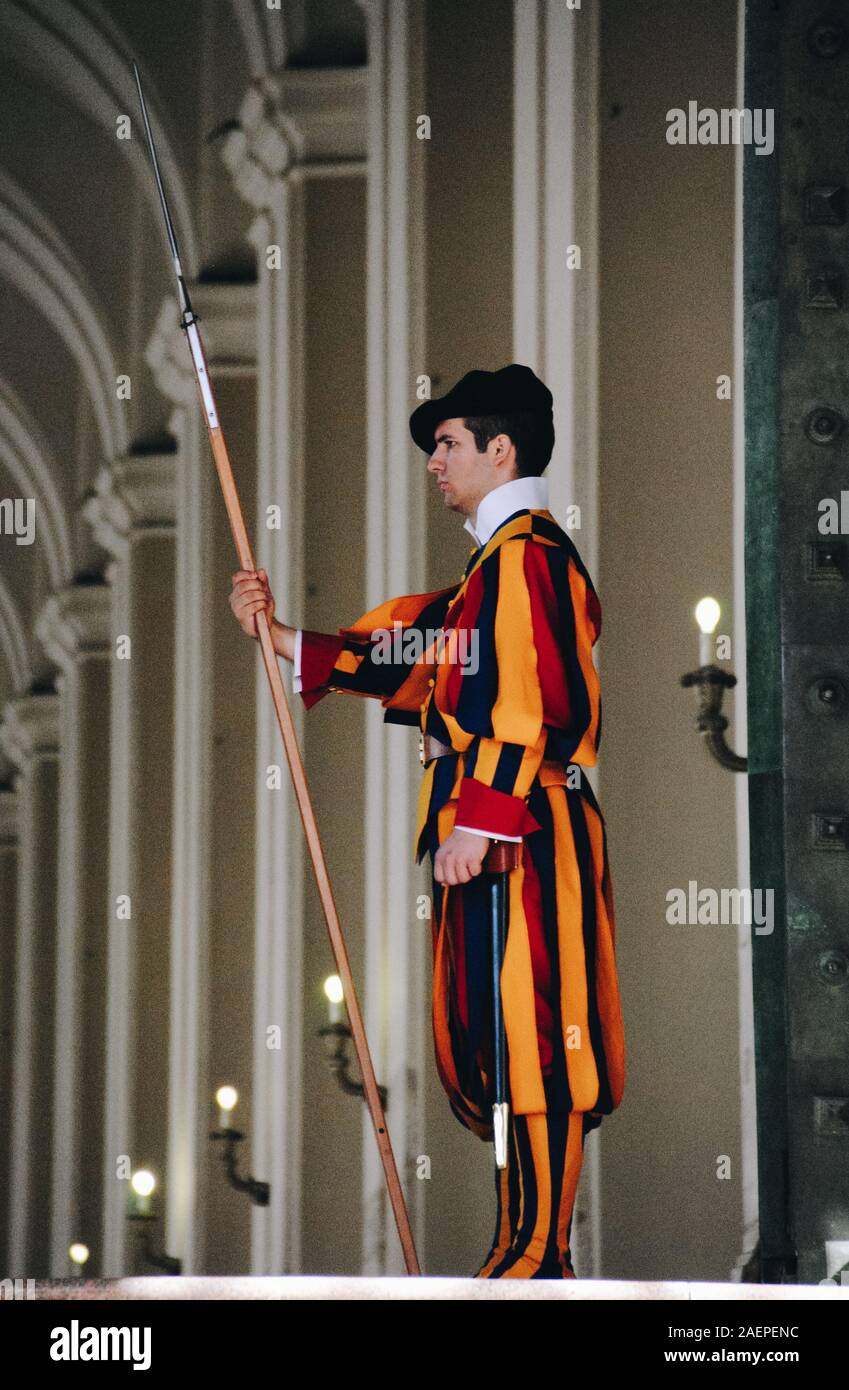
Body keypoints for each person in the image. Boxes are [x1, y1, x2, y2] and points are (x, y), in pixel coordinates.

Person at [229, 364, 625, 1278]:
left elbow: (531, 701)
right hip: (501, 832)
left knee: (537, 1034)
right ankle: (520, 1242)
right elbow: (414, 650)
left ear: (501, 449)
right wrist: (283, 636)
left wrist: (478, 820)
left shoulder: (528, 556)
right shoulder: (491, 569)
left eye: (446, 445)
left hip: (523, 829)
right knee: (497, 1035)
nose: (433, 464)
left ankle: (538, 1249)